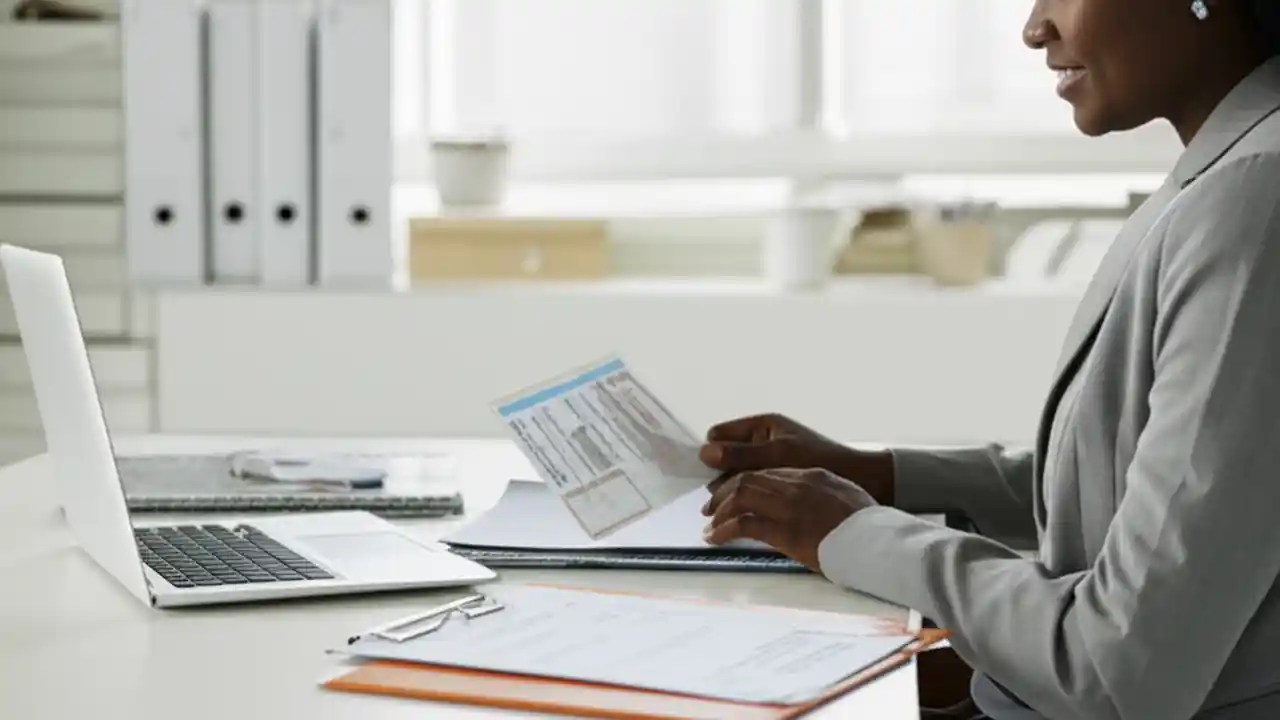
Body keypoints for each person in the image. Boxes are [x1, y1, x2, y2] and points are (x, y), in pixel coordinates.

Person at [698, 1, 1280, 718]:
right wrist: (883, 475)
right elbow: (1129, 481)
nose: (1036, 28)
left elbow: (1119, 664)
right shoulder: (1227, 169)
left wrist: (851, 533)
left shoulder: (1254, 197)